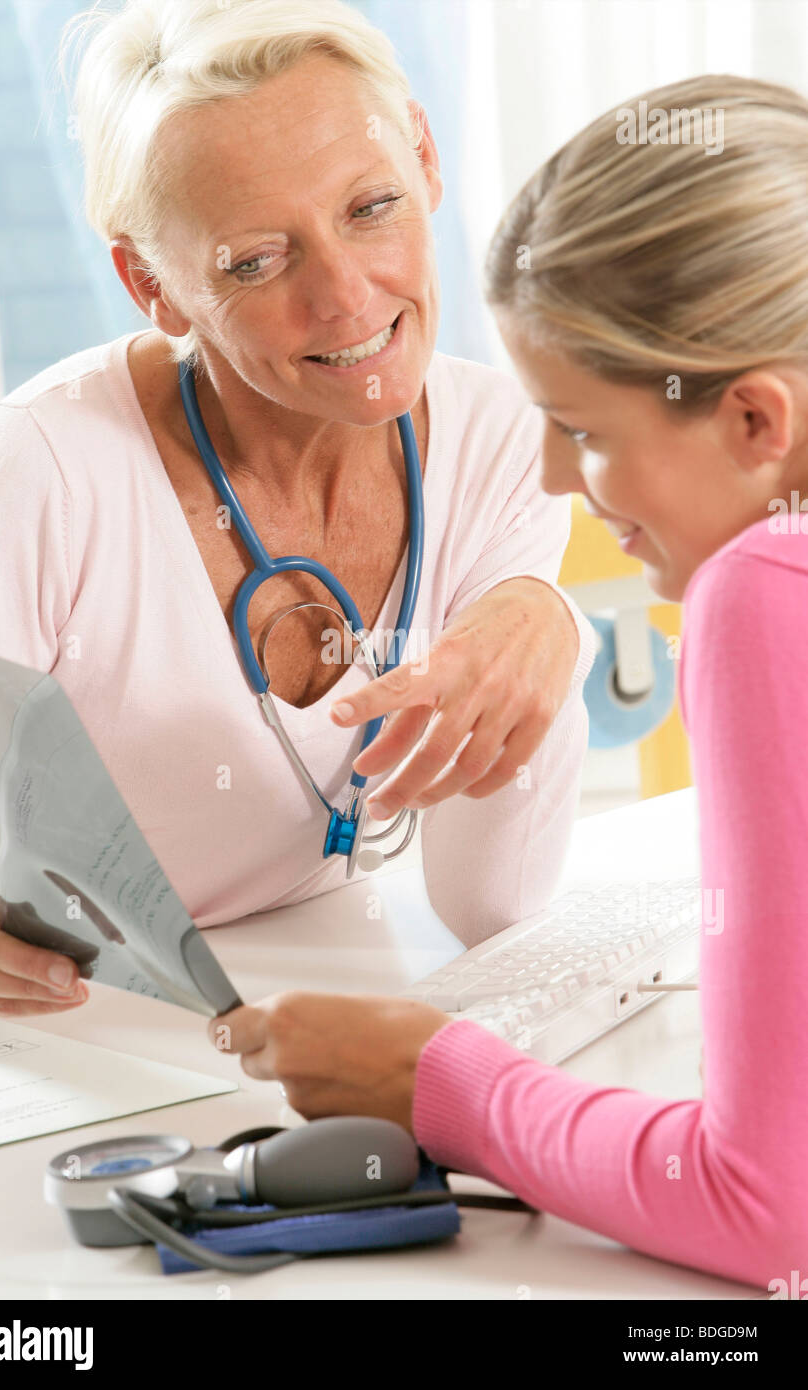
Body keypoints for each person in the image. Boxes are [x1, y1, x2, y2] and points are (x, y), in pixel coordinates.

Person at [213, 75, 808, 1290]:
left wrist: (438, 1083)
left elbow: (764, 1208)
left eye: (581, 429)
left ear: (754, 420)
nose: (546, 476)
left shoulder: (761, 591)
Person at [0, 0, 594, 1021]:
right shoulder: (41, 473)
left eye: (370, 205)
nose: (344, 294)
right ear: (151, 284)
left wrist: (548, 631)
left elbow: (489, 902)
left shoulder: (500, 440)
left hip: (320, 1012)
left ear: (422, 157)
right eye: (256, 260)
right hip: (75, 1042)